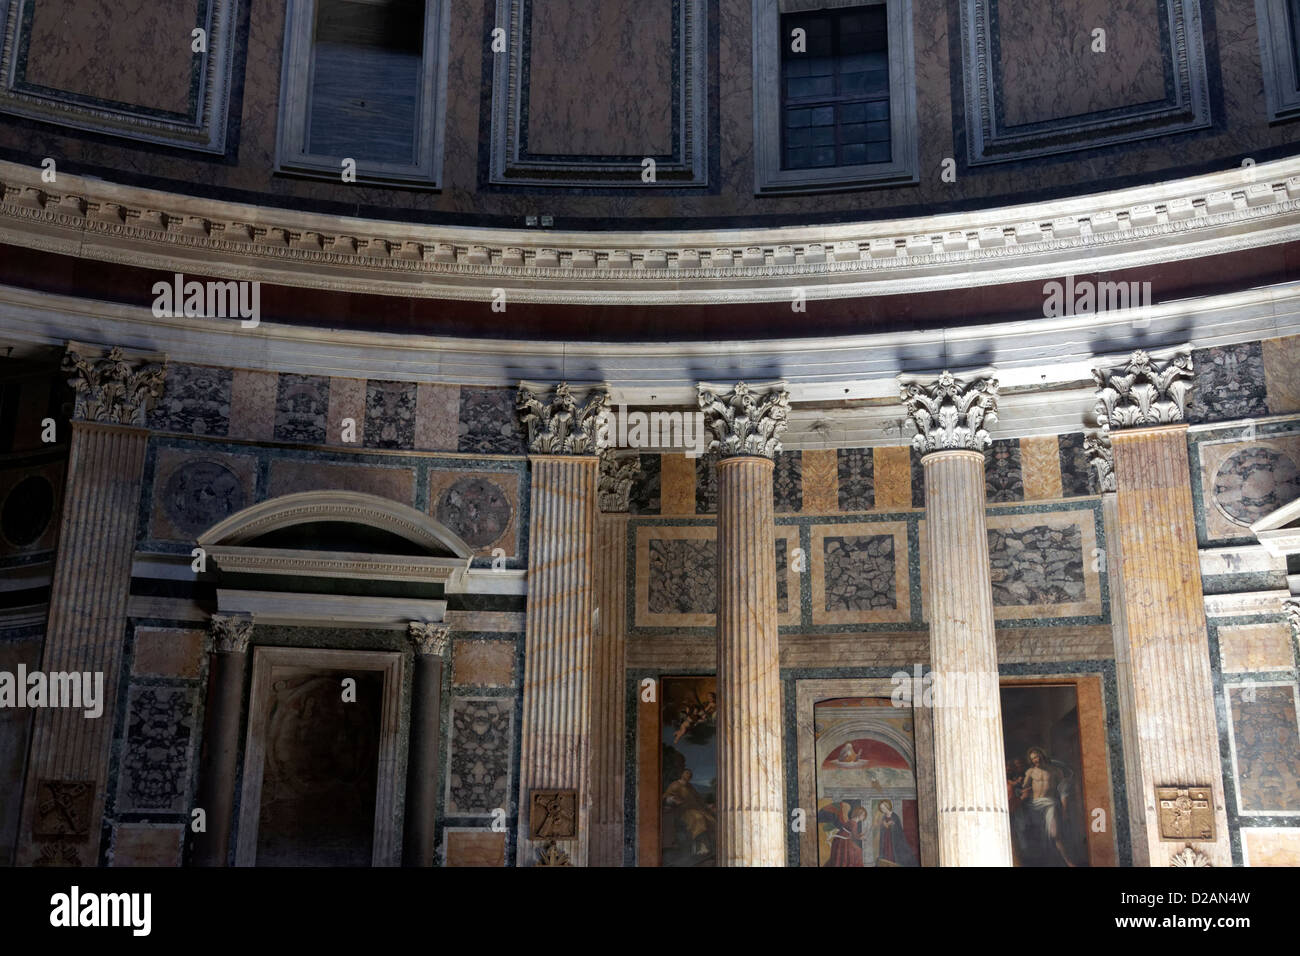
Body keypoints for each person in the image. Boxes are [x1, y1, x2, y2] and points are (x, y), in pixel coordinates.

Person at [1015, 746, 1077, 866]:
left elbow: (1063, 791)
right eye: (1033, 758)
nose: (1035, 760)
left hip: (1050, 804)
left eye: (1037, 756)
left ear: (1042, 756)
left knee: (1055, 834)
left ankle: (1069, 862)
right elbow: (1023, 789)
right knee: (1034, 835)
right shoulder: (1030, 772)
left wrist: (1064, 810)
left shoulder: (1055, 771)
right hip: (1034, 806)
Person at [662, 769, 715, 860]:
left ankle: (709, 847)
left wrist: (706, 806)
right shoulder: (675, 785)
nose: (688, 776)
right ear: (682, 774)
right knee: (698, 819)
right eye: (687, 773)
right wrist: (672, 799)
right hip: (682, 810)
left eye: (690, 775)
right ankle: (700, 847)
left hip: (695, 809)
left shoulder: (690, 786)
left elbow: (698, 798)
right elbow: (666, 797)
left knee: (710, 819)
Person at [871, 800, 918, 866]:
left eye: (884, 808)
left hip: (894, 840)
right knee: (886, 852)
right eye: (881, 808)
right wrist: (884, 825)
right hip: (886, 839)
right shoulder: (884, 817)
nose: (883, 810)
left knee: (893, 853)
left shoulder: (894, 816)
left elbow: (898, 830)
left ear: (887, 806)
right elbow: (882, 828)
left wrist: (891, 825)